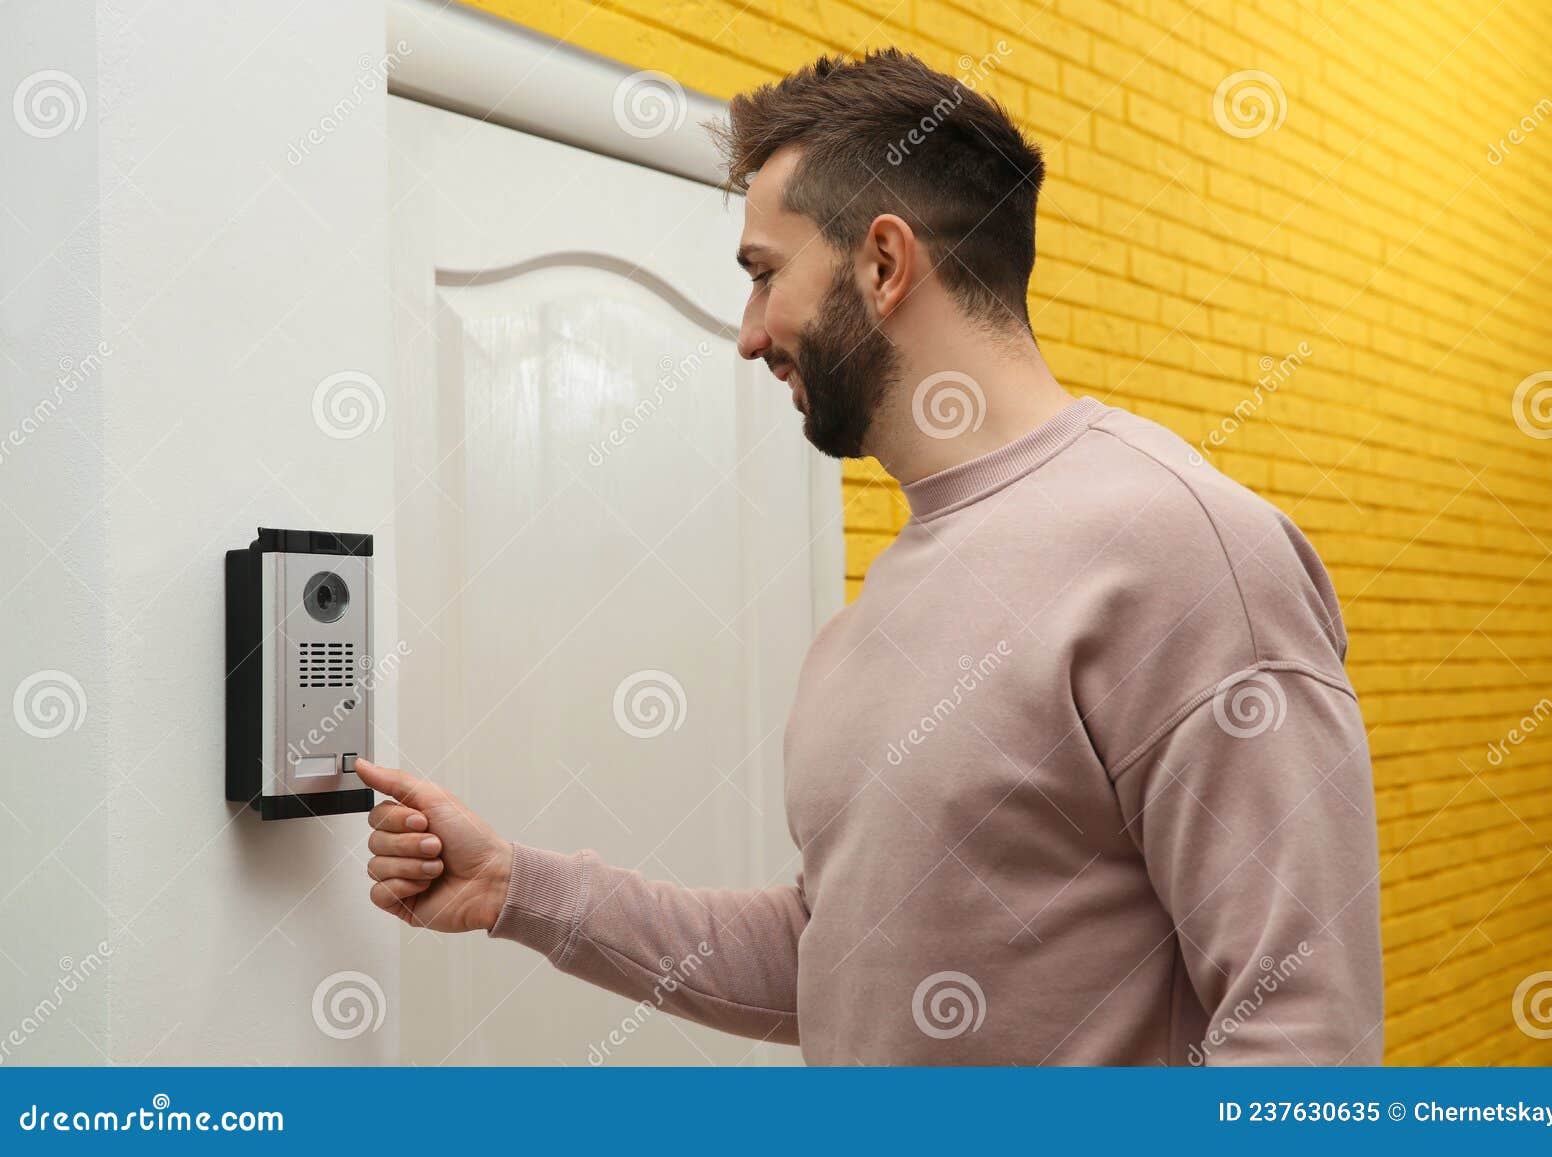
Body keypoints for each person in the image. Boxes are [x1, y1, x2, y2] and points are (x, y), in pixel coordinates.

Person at [355, 47, 1384, 1066]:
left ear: (883, 264)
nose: (751, 335)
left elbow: (1304, 1038)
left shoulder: (1181, 552)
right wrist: (519, 889)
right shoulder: (892, 592)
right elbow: (830, 957)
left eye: (764, 277)